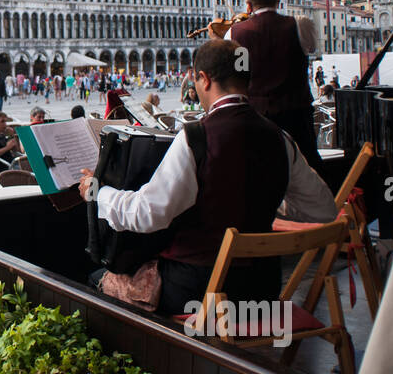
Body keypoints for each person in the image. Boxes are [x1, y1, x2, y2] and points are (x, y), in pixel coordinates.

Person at [76, 40, 334, 314]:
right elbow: (324, 209)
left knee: (98, 280)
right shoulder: (279, 138)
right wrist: (261, 199)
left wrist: (98, 192)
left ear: (204, 79)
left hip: (201, 292)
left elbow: (147, 213)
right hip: (263, 291)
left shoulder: (196, 137)